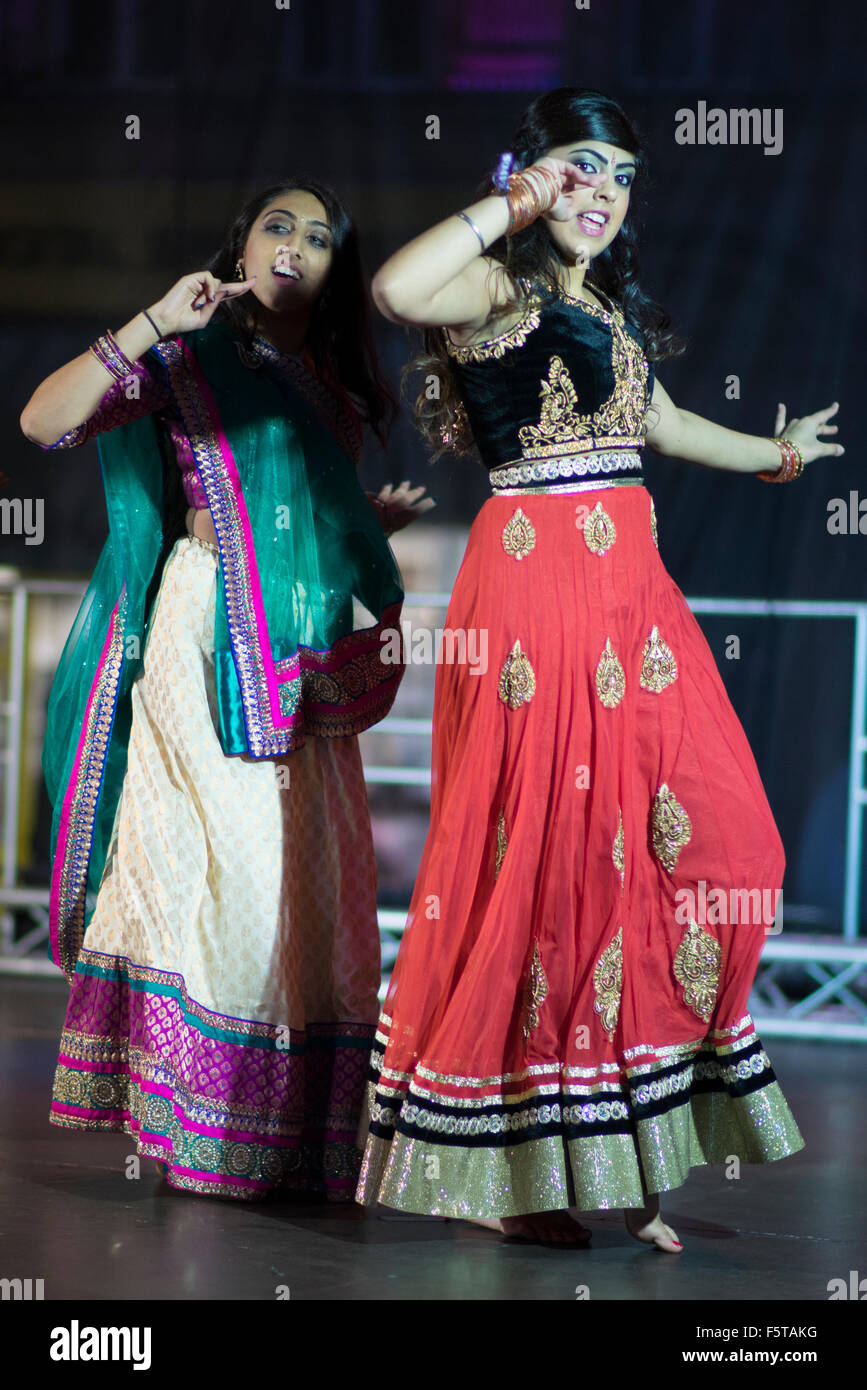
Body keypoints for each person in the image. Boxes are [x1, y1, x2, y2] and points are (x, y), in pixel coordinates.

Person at [355, 88, 843, 1250]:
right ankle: (536, 1170)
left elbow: (665, 423)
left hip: (634, 603)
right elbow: (393, 289)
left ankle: (603, 1141)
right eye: (581, 168)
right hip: (540, 594)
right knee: (555, 861)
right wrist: (511, 203)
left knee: (705, 844)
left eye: (622, 176)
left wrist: (774, 454)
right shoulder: (496, 290)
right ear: (530, 176)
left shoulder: (604, 314)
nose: (603, 194)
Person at [21, 178, 433, 1202]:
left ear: (337, 270)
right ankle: (195, 1119)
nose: (294, 246)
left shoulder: (331, 385)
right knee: (217, 869)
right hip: (203, 638)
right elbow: (44, 421)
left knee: (303, 879)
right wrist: (159, 317)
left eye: (320, 238)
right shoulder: (191, 356)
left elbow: (294, 514)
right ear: (242, 243)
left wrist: (357, 530)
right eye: (276, 226)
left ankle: (275, 1129)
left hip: (300, 650)